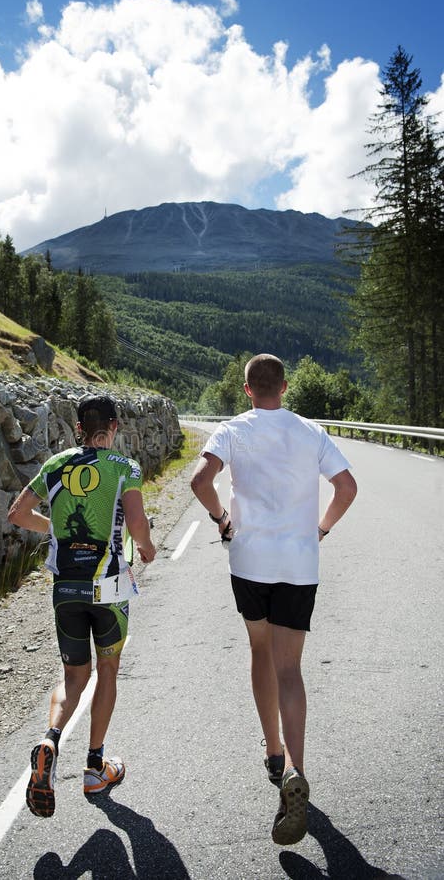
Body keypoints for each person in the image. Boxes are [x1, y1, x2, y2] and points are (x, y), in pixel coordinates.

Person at [190, 354, 357, 846]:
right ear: (285, 387)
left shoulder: (232, 430)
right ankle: (297, 772)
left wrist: (223, 519)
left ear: (246, 390)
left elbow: (200, 480)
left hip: (250, 563)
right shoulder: (311, 431)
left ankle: (274, 755)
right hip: (300, 566)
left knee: (259, 653)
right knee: (291, 669)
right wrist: (320, 528)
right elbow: (347, 487)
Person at [8, 395, 156, 817]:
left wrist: (56, 529)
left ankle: (50, 739)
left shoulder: (55, 466)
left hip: (65, 588)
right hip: (108, 587)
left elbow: (17, 513)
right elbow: (136, 522)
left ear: (78, 428)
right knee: (107, 669)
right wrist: (146, 549)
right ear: (113, 427)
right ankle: (95, 768)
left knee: (74, 676)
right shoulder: (124, 467)